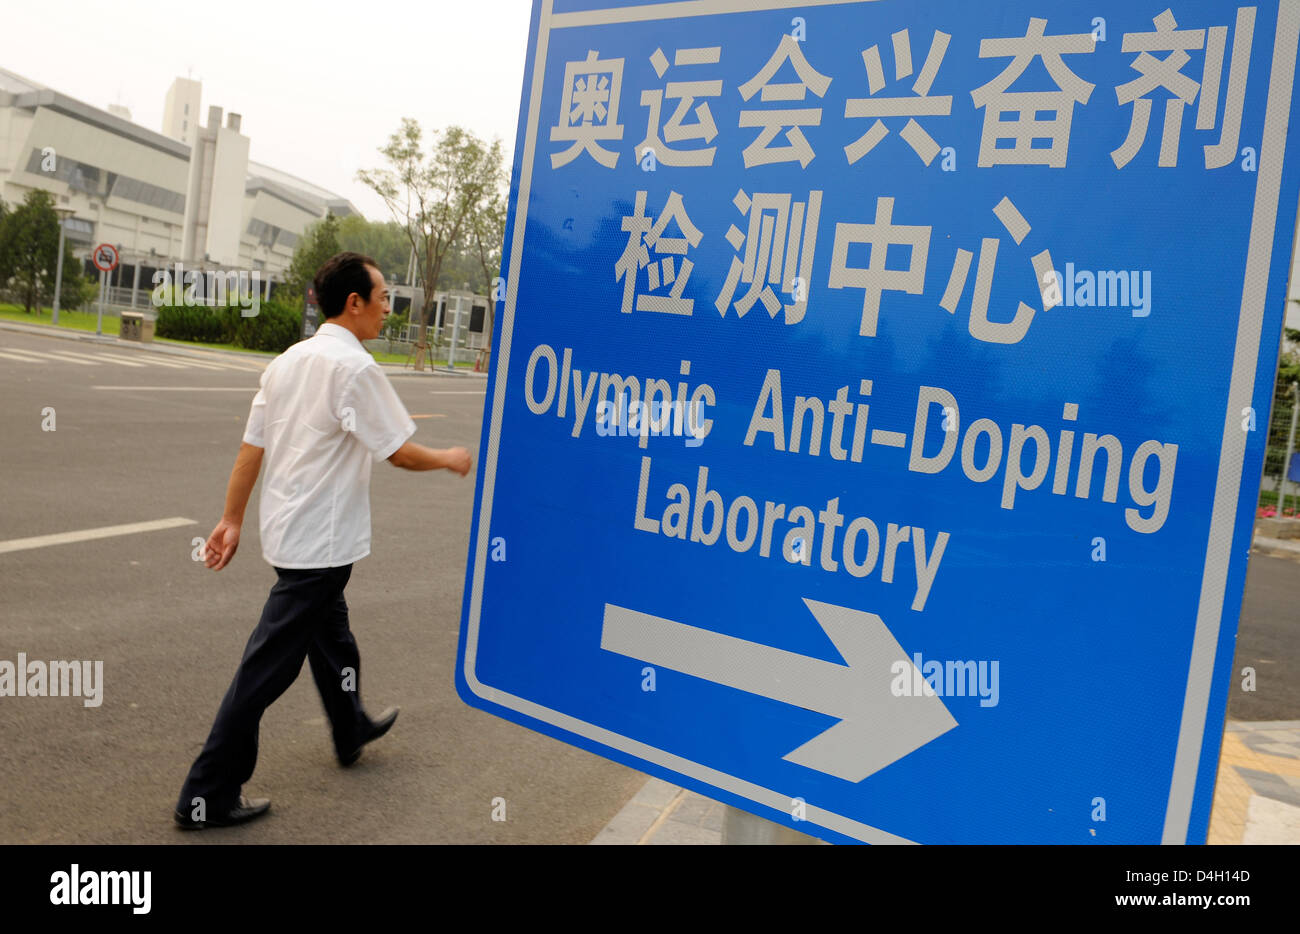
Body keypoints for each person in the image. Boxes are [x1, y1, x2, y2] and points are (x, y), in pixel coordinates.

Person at [173, 252, 472, 829]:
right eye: (383, 296)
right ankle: (204, 794)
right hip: (321, 543)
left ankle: (349, 723)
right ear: (354, 302)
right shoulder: (354, 369)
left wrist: (232, 519)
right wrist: (449, 458)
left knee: (332, 637)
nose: (389, 306)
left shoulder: (289, 361)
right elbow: (398, 451)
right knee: (262, 673)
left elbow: (249, 449)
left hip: (291, 531)